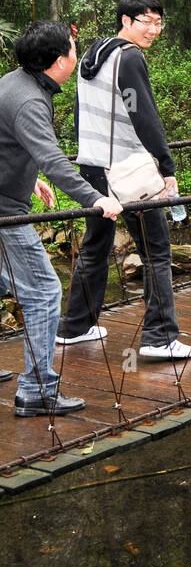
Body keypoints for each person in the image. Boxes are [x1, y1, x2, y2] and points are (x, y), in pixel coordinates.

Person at [56, 0, 191, 362]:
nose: (154, 29)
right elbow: (144, 115)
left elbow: (80, 113)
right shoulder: (129, 57)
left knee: (96, 246)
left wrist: (89, 157)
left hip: (93, 167)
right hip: (126, 171)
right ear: (126, 21)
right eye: (146, 21)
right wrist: (166, 166)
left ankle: (75, 327)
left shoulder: (92, 56)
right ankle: (159, 336)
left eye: (158, 21)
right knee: (157, 250)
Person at [0, 22, 122, 417]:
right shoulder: (30, 101)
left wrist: (29, 175)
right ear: (58, 62)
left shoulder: (14, 83)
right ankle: (35, 390)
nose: (75, 54)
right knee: (43, 293)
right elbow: (54, 159)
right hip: (4, 212)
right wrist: (96, 198)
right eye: (72, 49)